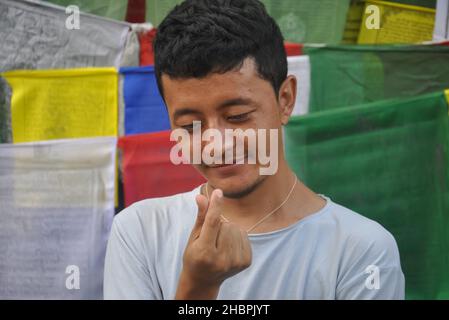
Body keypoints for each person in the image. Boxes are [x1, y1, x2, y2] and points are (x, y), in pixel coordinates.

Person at [104, 0, 404, 300]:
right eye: (190, 126)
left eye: (237, 117)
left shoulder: (362, 251)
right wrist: (197, 288)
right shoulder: (140, 232)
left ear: (285, 99)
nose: (217, 144)